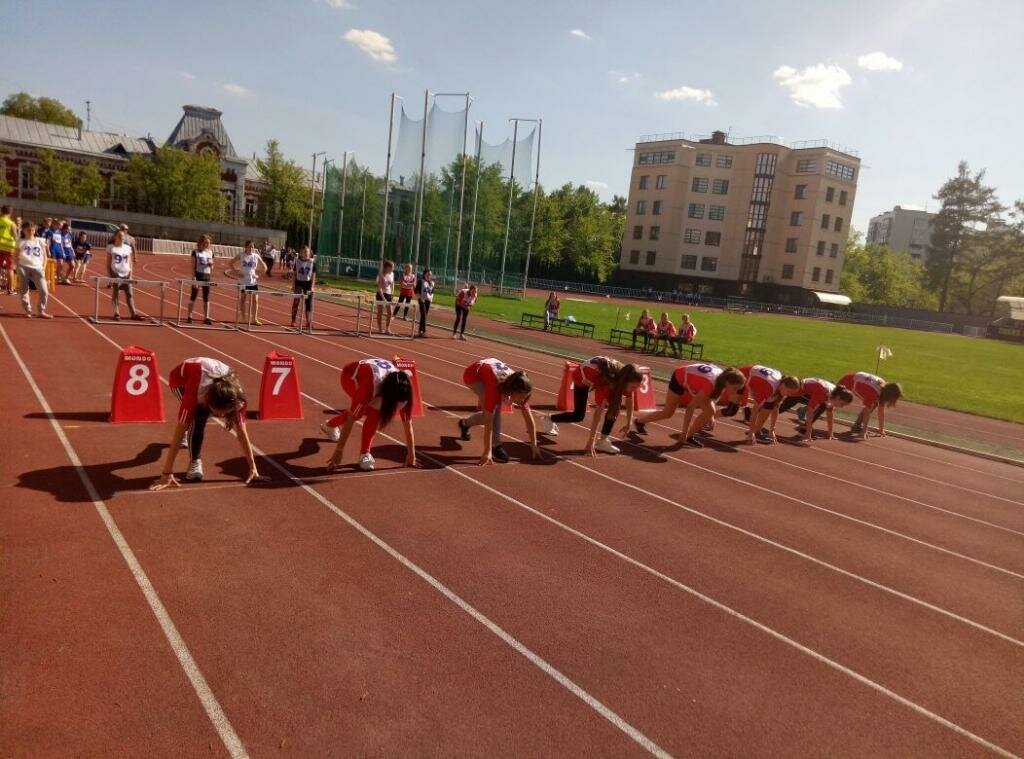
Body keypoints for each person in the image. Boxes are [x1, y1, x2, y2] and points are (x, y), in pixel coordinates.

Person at [150, 357, 265, 489]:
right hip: (180, 382)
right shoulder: (194, 395)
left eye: (225, 413)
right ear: (208, 401)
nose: (221, 416)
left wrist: (253, 469)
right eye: (217, 413)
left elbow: (242, 433)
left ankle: (191, 433)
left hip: (206, 383)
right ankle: (195, 462)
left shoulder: (237, 399)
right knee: (196, 418)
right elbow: (179, 432)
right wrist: (167, 473)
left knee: (197, 417)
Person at [321, 358, 416, 472]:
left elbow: (407, 422)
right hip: (350, 377)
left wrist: (411, 454)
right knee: (361, 413)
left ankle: (330, 425)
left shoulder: (404, 387)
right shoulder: (369, 389)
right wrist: (338, 452)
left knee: (367, 410)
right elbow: (351, 418)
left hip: (374, 380)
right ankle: (365, 454)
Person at [539, 357, 643, 456]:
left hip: (599, 374)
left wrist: (629, 422)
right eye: (633, 387)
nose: (635, 390)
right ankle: (548, 418)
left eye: (637, 387)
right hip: (582, 377)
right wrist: (591, 440)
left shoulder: (625, 378)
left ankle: (603, 441)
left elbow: (629, 399)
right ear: (624, 381)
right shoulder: (607, 385)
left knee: (614, 406)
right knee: (578, 415)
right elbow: (597, 414)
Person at [634, 363, 746, 447]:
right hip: (679, 378)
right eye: (735, 388)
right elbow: (690, 408)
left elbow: (712, 399)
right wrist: (684, 431)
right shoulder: (711, 384)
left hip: (695, 381)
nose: (736, 391)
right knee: (668, 413)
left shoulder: (721, 380)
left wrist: (711, 417)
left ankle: (688, 437)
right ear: (727, 382)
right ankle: (639, 422)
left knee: (710, 411)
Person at [457, 358, 539, 465]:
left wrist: (534, 445)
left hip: (490, 374)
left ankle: (464, 424)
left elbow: (529, 419)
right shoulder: (495, 388)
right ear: (512, 391)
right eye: (520, 397)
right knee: (491, 414)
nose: (522, 401)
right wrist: (487, 451)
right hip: (473, 376)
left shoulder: (522, 389)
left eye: (525, 397)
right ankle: (495, 446)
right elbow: (488, 421)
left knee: (493, 412)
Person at [736, 365, 802, 444]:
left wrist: (772, 430)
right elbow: (755, 409)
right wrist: (751, 432)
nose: (789, 395)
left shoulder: (780, 387)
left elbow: (775, 408)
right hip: (741, 375)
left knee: (770, 404)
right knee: (730, 409)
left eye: (791, 393)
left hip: (756, 376)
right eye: (789, 392)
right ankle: (754, 430)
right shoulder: (770, 387)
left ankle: (757, 431)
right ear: (783, 385)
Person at [779, 378, 854, 443]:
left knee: (823, 406)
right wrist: (808, 434)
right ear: (838, 398)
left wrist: (830, 433)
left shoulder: (833, 395)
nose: (841, 407)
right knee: (780, 408)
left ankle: (803, 430)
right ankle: (805, 431)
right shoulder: (823, 394)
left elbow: (829, 414)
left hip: (810, 391)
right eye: (842, 404)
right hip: (799, 390)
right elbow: (810, 412)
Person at [837, 372, 903, 438]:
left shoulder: (883, 389)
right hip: (847, 382)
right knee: (834, 399)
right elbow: (867, 412)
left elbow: (881, 412)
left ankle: (857, 426)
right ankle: (858, 426)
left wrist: (881, 430)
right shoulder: (873, 392)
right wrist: (864, 431)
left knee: (874, 404)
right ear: (890, 395)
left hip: (855, 379)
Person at [15, 220, 52, 318]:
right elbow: (16, 255)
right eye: (28, 230)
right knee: (24, 289)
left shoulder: (40, 241)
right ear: (23, 230)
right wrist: (17, 266)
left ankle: (41, 310)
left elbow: (45, 256)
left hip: (38, 267)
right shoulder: (20, 241)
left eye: (32, 230)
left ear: (35, 230)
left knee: (44, 291)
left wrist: (43, 267)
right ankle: (28, 309)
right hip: (23, 266)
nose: (31, 232)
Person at [107, 229, 143, 321]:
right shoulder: (111, 247)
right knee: (116, 294)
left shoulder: (127, 248)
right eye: (120, 236)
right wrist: (110, 276)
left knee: (130, 294)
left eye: (123, 236)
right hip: (115, 273)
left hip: (126, 273)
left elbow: (130, 262)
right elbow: (108, 263)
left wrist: (131, 274)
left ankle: (133, 314)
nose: (122, 238)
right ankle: (116, 313)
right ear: (115, 237)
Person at [230, 240, 267, 326]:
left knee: (255, 300)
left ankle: (254, 319)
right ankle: (243, 318)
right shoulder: (241, 255)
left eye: (252, 247)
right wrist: (236, 273)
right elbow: (230, 263)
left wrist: (258, 275)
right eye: (249, 246)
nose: (251, 248)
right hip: (243, 282)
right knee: (243, 299)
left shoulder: (256, 256)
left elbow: (265, 267)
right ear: (246, 247)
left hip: (253, 282)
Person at [187, 235, 215, 325]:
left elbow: (212, 267)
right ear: (201, 242)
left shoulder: (210, 252)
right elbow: (192, 267)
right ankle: (190, 316)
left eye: (209, 243)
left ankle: (206, 317)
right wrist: (194, 277)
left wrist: (211, 265)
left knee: (206, 297)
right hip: (198, 275)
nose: (207, 244)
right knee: (193, 296)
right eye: (206, 242)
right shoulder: (195, 252)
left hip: (207, 277)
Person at [290, 245, 316, 328]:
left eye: (307, 251)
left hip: (308, 284)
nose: (306, 253)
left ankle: (308, 321)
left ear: (309, 253)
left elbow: (313, 275)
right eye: (304, 251)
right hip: (299, 283)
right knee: (296, 301)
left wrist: (312, 286)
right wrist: (293, 285)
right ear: (300, 253)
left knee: (308, 303)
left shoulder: (312, 262)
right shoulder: (297, 262)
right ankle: (293, 320)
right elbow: (294, 274)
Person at [375, 259, 395, 335]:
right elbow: (379, 288)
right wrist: (383, 299)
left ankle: (387, 329)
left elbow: (392, 283)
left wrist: (392, 293)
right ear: (387, 267)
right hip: (381, 295)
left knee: (390, 312)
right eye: (392, 267)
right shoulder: (381, 275)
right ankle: (380, 328)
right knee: (380, 312)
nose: (393, 269)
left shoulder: (392, 274)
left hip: (388, 294)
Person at [0, 205, 16, 295]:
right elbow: (15, 236)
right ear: (10, 213)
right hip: (9, 248)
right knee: (10, 268)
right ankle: (10, 289)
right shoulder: (11, 224)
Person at [417, 268, 434, 337]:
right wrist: (420, 298)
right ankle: (424, 331)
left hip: (428, 301)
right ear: (424, 274)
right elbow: (416, 291)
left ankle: (420, 331)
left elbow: (432, 292)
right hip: (422, 300)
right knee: (423, 315)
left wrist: (431, 300)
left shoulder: (432, 283)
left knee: (424, 316)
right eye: (428, 274)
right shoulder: (421, 281)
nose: (429, 276)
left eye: (430, 275)